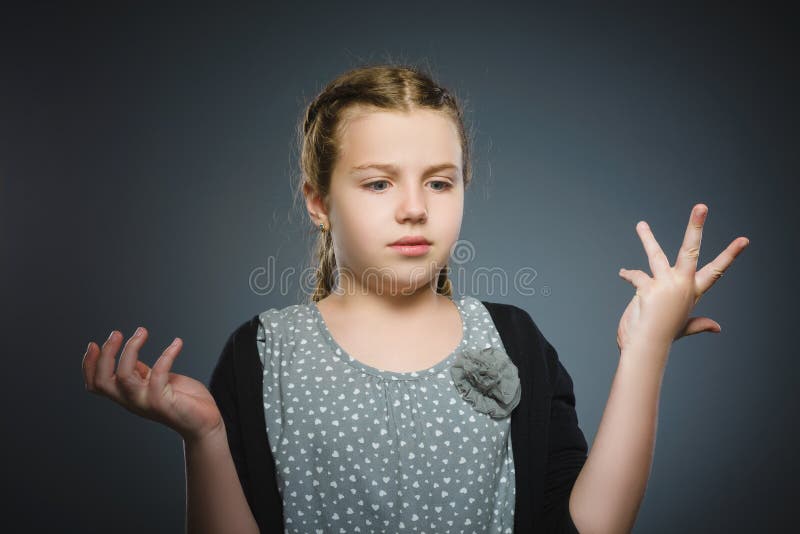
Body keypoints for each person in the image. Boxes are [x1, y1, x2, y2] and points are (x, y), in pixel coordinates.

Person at [81, 63, 750, 534]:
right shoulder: (262, 354)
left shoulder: (512, 342)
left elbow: (588, 524)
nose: (413, 209)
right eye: (377, 184)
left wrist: (646, 351)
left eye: (439, 183)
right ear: (318, 202)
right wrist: (206, 440)